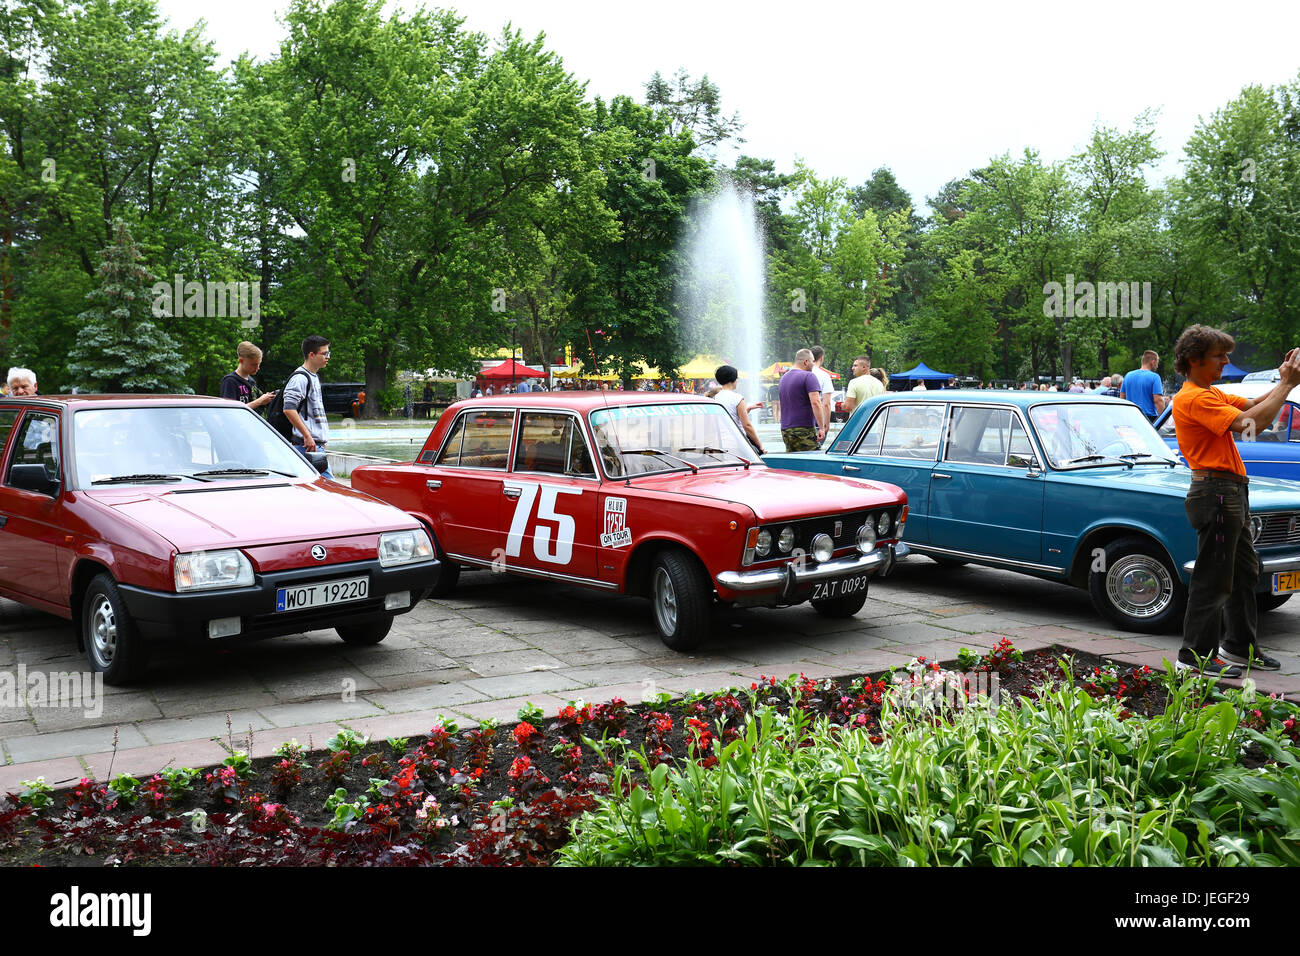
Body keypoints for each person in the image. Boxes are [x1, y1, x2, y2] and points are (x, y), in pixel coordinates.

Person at [1171, 325, 1300, 677]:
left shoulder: (1209, 392)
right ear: (1193, 360)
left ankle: (1237, 648)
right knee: (1213, 577)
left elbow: (1258, 404)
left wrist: (1287, 379)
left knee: (1245, 572)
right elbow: (1252, 425)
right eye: (1219, 356)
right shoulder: (1195, 399)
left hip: (1228, 491)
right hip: (1215, 494)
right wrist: (1288, 383)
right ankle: (1193, 657)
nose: (1227, 362)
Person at [282, 335, 334, 479]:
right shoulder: (300, 378)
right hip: (306, 446)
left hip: (314, 446)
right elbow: (288, 409)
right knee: (329, 487)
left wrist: (322, 439)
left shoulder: (314, 377)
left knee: (317, 488)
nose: (328, 357)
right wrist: (307, 436)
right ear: (311, 355)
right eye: (325, 353)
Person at [712, 365, 765, 455]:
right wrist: (760, 446)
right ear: (733, 380)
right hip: (737, 444)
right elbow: (747, 426)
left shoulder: (716, 398)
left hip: (720, 444)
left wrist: (747, 409)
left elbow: (728, 416)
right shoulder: (738, 398)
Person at [778, 349, 824, 452]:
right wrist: (821, 427)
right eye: (812, 361)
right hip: (804, 428)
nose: (813, 364)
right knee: (812, 462)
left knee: (793, 464)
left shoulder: (784, 378)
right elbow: (816, 403)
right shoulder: (809, 376)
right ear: (806, 362)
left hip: (786, 429)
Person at [219, 342, 275, 412]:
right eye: (254, 364)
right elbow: (230, 410)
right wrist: (259, 401)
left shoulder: (252, 381)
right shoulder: (230, 381)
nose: (258, 368)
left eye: (259, 364)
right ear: (241, 361)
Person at [1121, 350, 1166, 422]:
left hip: (1130, 416)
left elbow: (1122, 398)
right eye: (1157, 363)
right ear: (1153, 362)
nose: (1157, 366)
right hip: (1148, 418)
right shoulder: (1155, 377)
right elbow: (1158, 400)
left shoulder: (1128, 375)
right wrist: (1164, 419)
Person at [809, 345, 834, 438]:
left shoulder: (802, 373)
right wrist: (826, 424)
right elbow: (826, 404)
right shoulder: (824, 376)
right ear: (822, 358)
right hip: (817, 419)